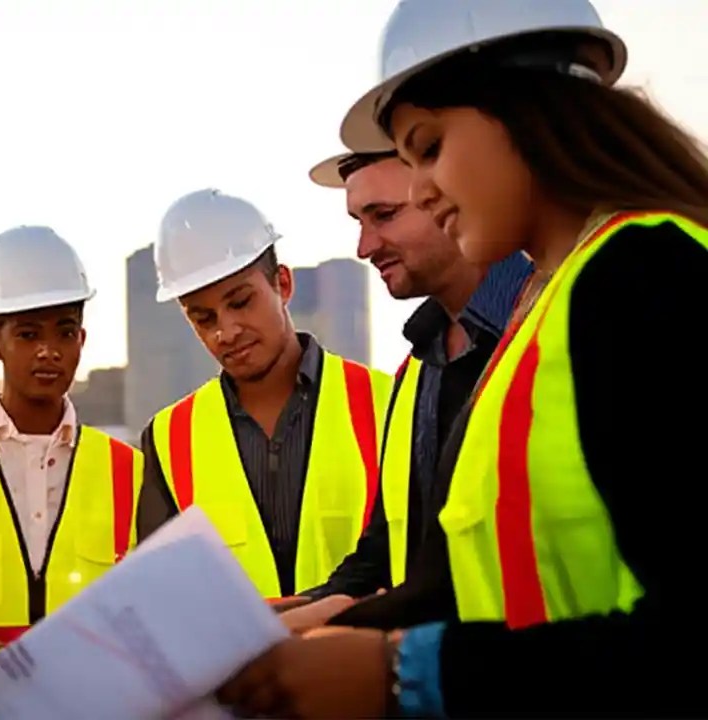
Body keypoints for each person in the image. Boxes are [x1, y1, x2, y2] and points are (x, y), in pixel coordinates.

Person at [218, 0, 706, 716]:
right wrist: (303, 652)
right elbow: (461, 585)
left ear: (527, 110)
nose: (421, 189)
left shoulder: (644, 276)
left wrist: (403, 674)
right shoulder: (540, 319)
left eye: (430, 147)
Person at [287, 151, 530, 631]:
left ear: (453, 196)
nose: (364, 246)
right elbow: (386, 558)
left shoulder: (551, 327)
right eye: (359, 222)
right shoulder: (417, 371)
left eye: (384, 215)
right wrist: (272, 626)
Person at [136, 188, 393, 602]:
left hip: (367, 643)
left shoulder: (388, 403)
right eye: (203, 319)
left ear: (283, 284)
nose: (226, 331)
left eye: (241, 302)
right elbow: (163, 594)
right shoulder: (168, 438)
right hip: (233, 649)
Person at [0, 226, 141, 645]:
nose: (48, 351)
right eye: (28, 334)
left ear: (82, 340)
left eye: (65, 333)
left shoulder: (131, 470)